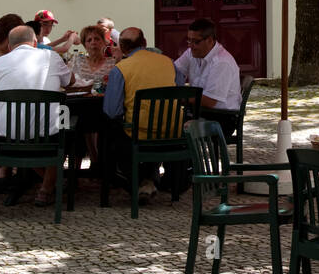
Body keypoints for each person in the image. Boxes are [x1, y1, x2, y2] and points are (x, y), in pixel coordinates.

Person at [0, 24, 75, 206]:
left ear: (9, 47)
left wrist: (10, 108)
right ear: (36, 42)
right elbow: (70, 81)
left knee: (32, 130)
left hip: (8, 140)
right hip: (47, 139)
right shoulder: (50, 56)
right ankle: (47, 188)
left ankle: (49, 182)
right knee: (66, 122)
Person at [102, 26, 177, 203]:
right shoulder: (168, 62)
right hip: (171, 130)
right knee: (146, 126)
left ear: (122, 47)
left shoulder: (121, 69)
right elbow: (179, 89)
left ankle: (133, 182)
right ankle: (148, 179)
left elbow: (112, 111)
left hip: (138, 133)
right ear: (144, 42)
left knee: (111, 132)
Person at [174, 18, 241, 144]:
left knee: (176, 130)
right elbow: (174, 72)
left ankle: (186, 162)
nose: (190, 46)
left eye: (195, 42)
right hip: (201, 112)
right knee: (167, 125)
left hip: (221, 119)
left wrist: (177, 97)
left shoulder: (222, 62)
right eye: (188, 40)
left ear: (209, 40)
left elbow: (210, 101)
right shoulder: (191, 53)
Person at [69, 25, 116, 179]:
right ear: (84, 44)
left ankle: (97, 162)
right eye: (89, 40)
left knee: (92, 120)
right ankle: (89, 163)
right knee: (79, 121)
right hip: (80, 104)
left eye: (97, 39)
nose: (93, 43)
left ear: (104, 42)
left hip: (103, 106)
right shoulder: (77, 61)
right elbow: (68, 82)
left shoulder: (112, 62)